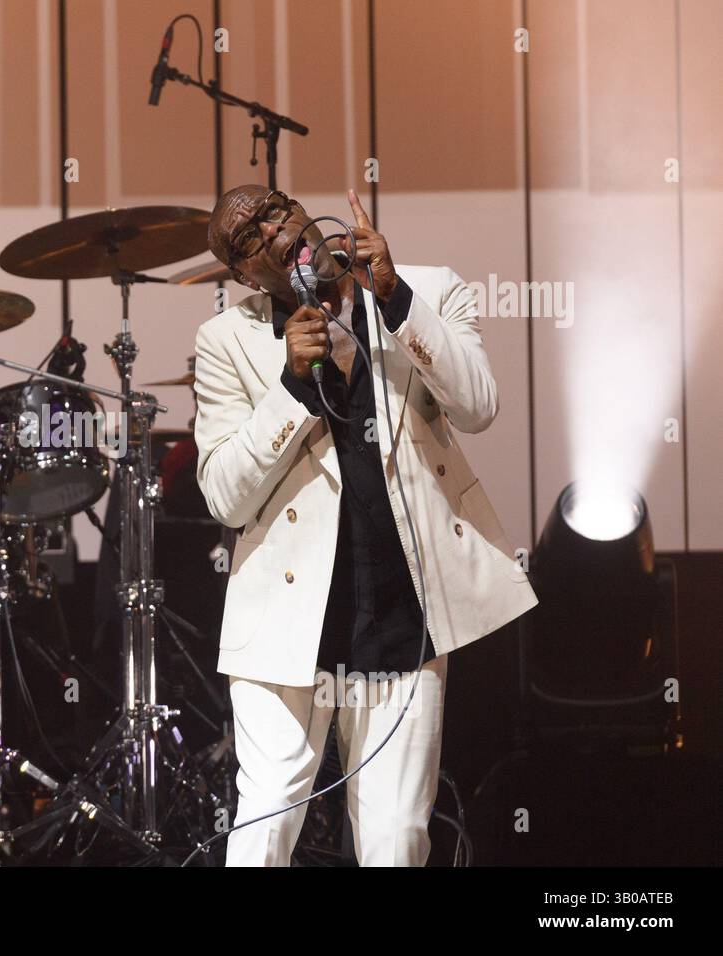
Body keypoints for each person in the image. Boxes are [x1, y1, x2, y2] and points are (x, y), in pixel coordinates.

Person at [194, 184, 537, 866]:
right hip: (288, 621)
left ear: (300, 211)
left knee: (396, 839)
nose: (269, 231)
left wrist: (397, 300)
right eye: (247, 239)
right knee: (264, 824)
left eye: (274, 210)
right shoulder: (226, 341)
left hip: (401, 615)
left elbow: (478, 406)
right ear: (243, 275)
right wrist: (292, 386)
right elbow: (225, 498)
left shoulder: (426, 290)